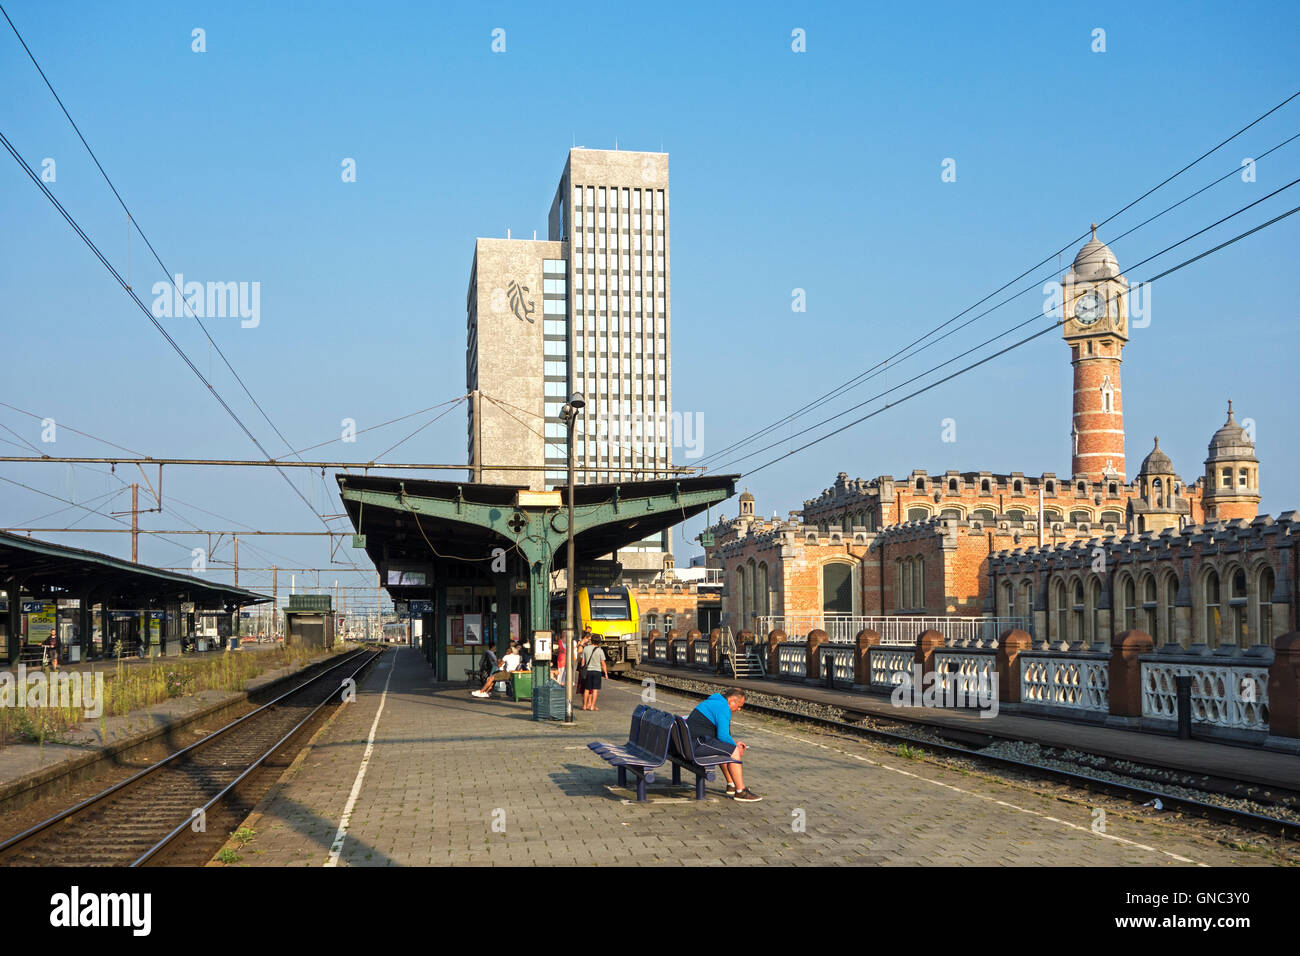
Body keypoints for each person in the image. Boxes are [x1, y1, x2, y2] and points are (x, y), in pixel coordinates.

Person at [685, 687, 760, 801]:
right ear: (731, 701)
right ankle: (741, 792)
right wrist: (736, 747)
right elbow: (723, 736)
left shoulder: (716, 701)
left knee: (724, 748)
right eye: (739, 706)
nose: (739, 709)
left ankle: (731, 785)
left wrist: (733, 744)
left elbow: (722, 737)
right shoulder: (723, 708)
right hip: (695, 744)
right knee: (733, 751)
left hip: (688, 743)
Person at [580, 635, 608, 711]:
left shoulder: (586, 648)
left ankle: (585, 706)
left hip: (588, 671)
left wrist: (582, 670)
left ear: (591, 640)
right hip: (597, 672)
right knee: (595, 690)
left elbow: (583, 662)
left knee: (586, 689)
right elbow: (603, 663)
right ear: (599, 642)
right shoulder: (600, 651)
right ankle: (592, 706)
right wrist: (606, 673)